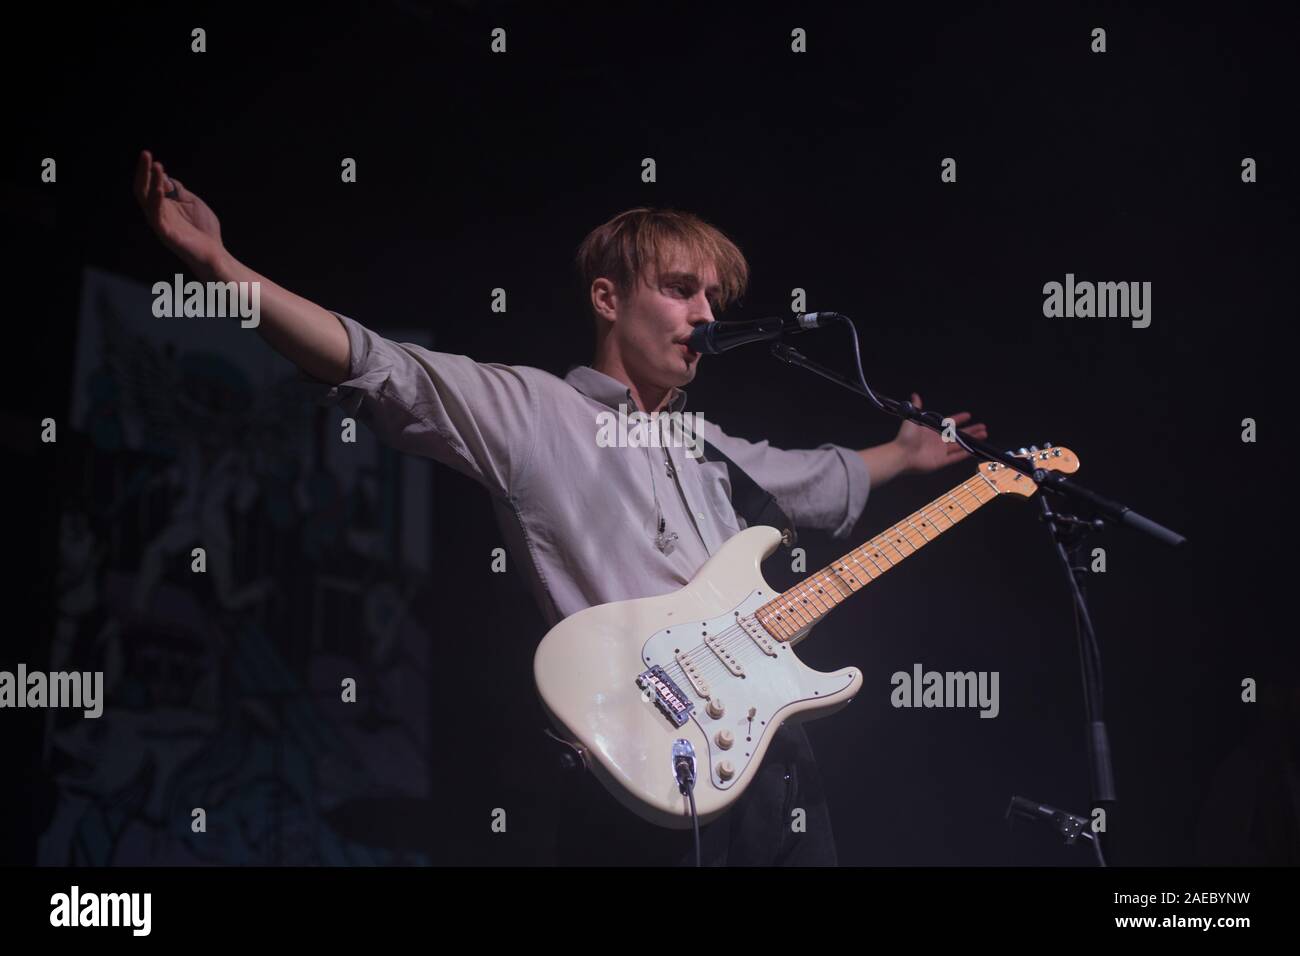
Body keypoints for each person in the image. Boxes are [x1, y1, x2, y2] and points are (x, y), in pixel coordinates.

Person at [134, 149, 988, 865]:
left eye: (713, 301)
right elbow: (378, 364)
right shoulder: (538, 414)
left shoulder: (711, 447)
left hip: (777, 766)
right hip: (653, 770)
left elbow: (813, 476)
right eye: (682, 289)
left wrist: (907, 454)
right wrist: (221, 267)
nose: (704, 315)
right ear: (608, 299)